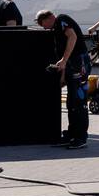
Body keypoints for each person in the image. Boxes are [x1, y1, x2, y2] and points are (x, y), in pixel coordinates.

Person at [39, 10, 88, 149]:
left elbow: (72, 37)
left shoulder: (61, 20)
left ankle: (81, 137)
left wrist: (64, 60)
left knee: (78, 102)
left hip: (79, 63)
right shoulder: (56, 28)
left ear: (49, 18)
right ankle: (71, 134)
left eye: (44, 25)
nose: (45, 29)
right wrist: (62, 75)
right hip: (71, 65)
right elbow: (62, 55)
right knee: (71, 102)